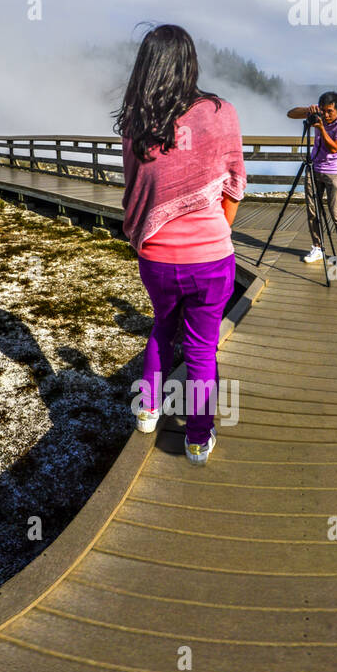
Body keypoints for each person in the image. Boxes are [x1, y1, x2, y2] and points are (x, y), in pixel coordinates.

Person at [116, 24, 245, 464]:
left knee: (162, 328)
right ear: (189, 63)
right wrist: (217, 235)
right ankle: (196, 437)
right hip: (210, 257)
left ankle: (148, 410)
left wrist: (146, 239)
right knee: (201, 350)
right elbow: (233, 187)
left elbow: (136, 193)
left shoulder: (135, 124)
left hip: (155, 257)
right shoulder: (219, 112)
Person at [287, 92, 337, 269]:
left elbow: (334, 148)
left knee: (336, 212)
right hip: (314, 168)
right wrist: (307, 110)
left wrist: (321, 128)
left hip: (334, 172)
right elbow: (290, 114)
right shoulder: (318, 115)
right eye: (323, 111)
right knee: (312, 210)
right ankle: (317, 247)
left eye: (330, 111)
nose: (325, 115)